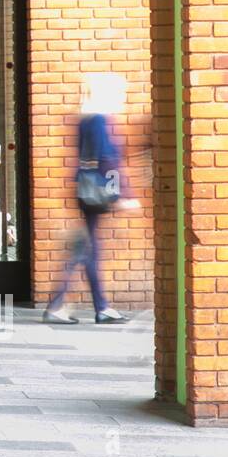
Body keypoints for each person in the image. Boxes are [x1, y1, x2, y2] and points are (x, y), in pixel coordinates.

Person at [45, 74, 136, 324]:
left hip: (85, 188)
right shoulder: (99, 119)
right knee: (87, 249)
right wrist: (122, 193)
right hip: (97, 190)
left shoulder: (84, 118)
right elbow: (108, 159)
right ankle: (61, 305)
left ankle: (99, 306)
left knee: (89, 247)